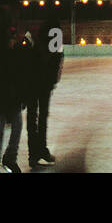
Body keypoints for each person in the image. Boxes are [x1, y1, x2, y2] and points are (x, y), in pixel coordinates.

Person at [0, 0, 27, 173]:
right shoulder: (1, 31)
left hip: (4, 84)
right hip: (6, 84)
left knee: (9, 124)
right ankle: (5, 159)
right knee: (10, 123)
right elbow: (9, 61)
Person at [26, 12, 63, 168]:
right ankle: (40, 151)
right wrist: (54, 79)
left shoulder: (34, 31)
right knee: (40, 117)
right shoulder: (56, 31)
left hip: (34, 80)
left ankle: (35, 153)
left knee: (33, 116)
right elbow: (57, 56)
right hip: (43, 80)